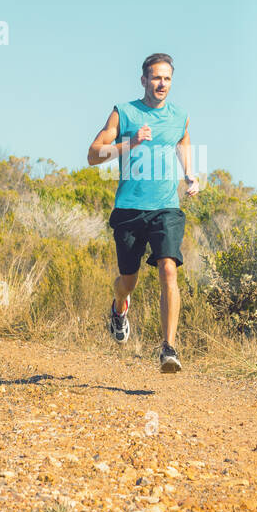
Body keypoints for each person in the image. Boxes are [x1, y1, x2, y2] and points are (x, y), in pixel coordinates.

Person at [86, 53, 200, 372]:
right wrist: (129, 144)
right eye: (155, 77)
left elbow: (183, 141)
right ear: (143, 80)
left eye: (166, 78)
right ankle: (119, 307)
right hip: (129, 209)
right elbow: (93, 155)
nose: (161, 84)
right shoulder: (124, 113)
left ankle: (169, 349)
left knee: (168, 268)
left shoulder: (181, 116)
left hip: (166, 207)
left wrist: (190, 172)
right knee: (128, 281)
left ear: (171, 81)